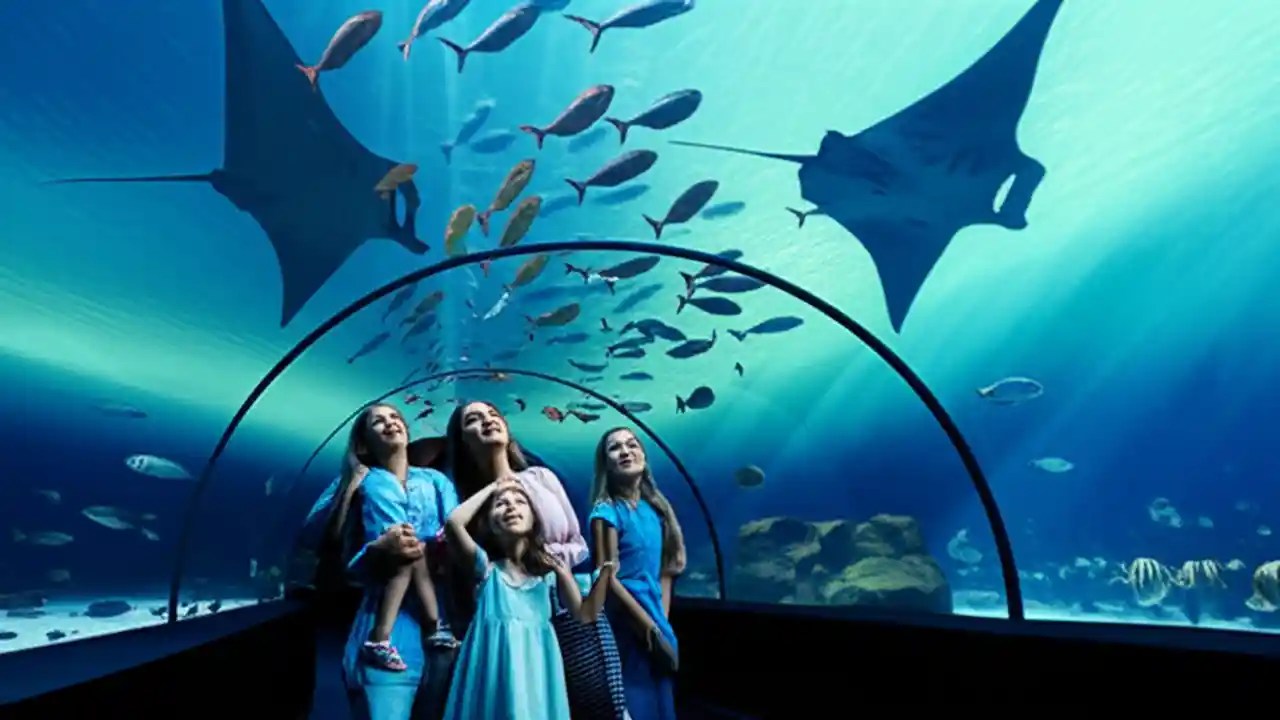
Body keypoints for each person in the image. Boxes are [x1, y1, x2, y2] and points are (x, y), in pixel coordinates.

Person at [446, 401, 630, 719]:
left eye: (493, 413)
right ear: (462, 440)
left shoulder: (541, 477)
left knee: (602, 702)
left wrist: (544, 562)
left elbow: (579, 544)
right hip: (512, 619)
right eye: (473, 420)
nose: (487, 420)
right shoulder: (472, 504)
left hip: (562, 601)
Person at [441, 478, 615, 720]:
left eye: (521, 501)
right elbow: (453, 523)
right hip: (493, 669)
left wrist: (600, 576)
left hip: (537, 670)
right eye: (501, 504)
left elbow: (585, 614)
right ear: (490, 523)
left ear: (535, 518)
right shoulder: (487, 570)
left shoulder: (550, 575)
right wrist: (493, 486)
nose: (511, 507)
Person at [340, 403, 460, 720]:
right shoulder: (362, 482)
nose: (390, 423)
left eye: (395, 418)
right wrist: (377, 549)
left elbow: (456, 529)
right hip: (385, 623)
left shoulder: (436, 481)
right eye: (378, 422)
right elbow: (332, 553)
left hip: (439, 624)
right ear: (363, 442)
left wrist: (444, 547)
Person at [589, 427, 686, 720]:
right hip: (625, 618)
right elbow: (606, 576)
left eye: (632, 445)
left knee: (661, 702)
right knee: (633, 701)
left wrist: (662, 625)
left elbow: (667, 571)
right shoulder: (606, 512)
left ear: (644, 455)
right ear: (605, 463)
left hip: (655, 615)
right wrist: (648, 629)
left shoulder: (657, 510)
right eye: (615, 448)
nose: (626, 451)